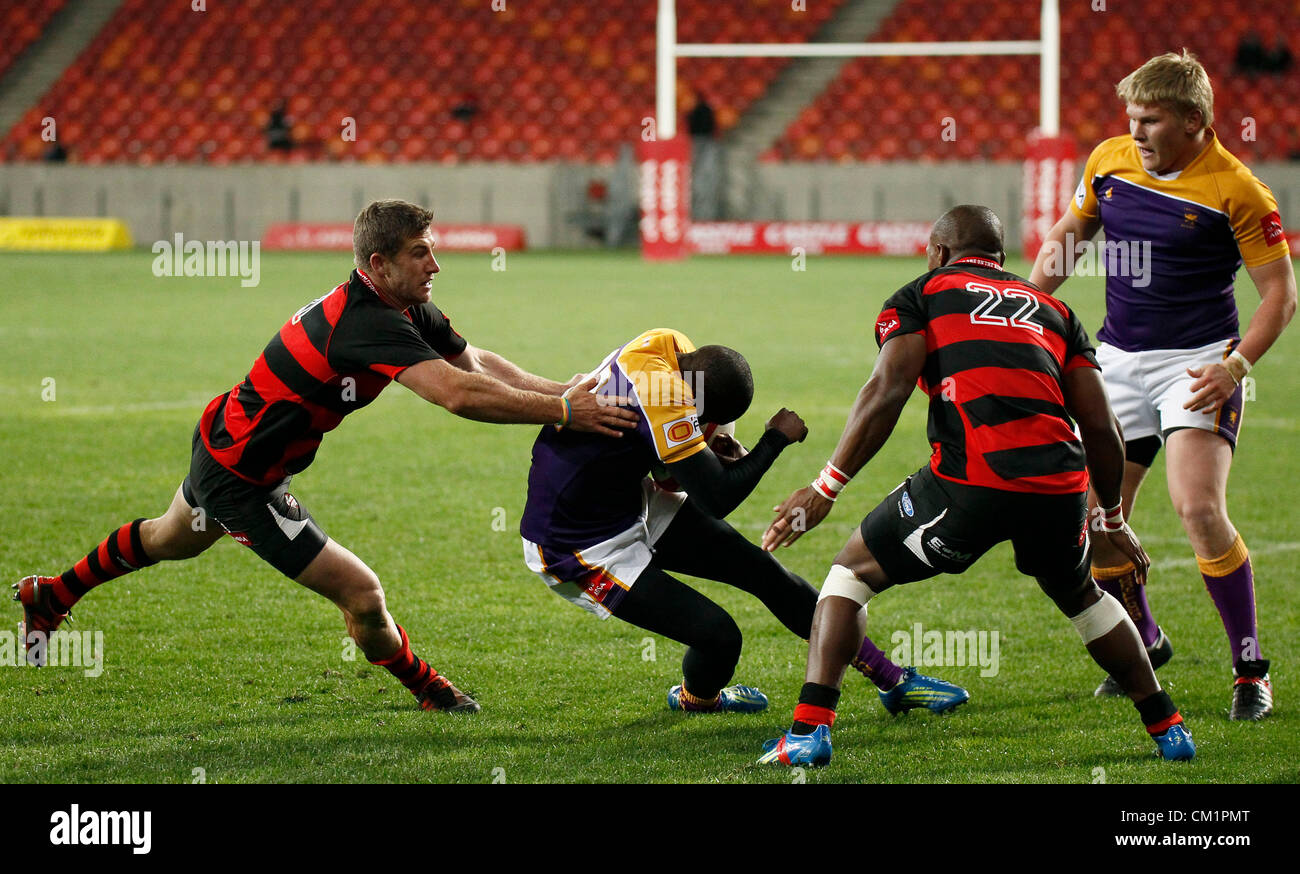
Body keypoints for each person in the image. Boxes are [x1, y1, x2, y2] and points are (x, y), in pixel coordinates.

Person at [14, 199, 639, 714]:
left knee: (167, 539)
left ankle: (52, 594)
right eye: (420, 252)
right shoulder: (366, 324)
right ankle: (429, 690)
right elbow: (456, 394)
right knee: (364, 595)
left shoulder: (399, 303)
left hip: (223, 441)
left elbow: (471, 363)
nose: (435, 264)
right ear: (379, 262)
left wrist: (564, 391)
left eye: (431, 248)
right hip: (242, 479)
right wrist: (563, 415)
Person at [758, 205, 1195, 767]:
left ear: (938, 252)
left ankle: (807, 732)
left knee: (851, 572)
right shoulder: (1055, 310)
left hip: (973, 481)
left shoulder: (923, 294)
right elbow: (1103, 427)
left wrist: (826, 485)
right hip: (1061, 487)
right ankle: (1169, 729)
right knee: (1083, 596)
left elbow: (886, 390)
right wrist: (1109, 517)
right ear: (1001, 259)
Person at [1028, 51, 1294, 719]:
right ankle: (1144, 639)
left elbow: (1280, 297)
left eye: (1150, 120)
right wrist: (1027, 306)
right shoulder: (1110, 161)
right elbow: (1071, 235)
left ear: (1195, 121)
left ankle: (1249, 667)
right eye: (1131, 119)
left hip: (1199, 362)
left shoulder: (1239, 191)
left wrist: (1235, 367)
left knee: (1198, 509)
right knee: (1094, 520)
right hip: (1115, 361)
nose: (1137, 131)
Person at [519, 328, 968, 715]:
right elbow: (717, 499)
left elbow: (668, 475)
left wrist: (709, 449)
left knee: (764, 572)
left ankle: (892, 680)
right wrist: (775, 440)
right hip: (576, 544)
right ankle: (697, 699)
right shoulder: (665, 395)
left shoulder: (668, 347)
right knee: (719, 638)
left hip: (625, 498)